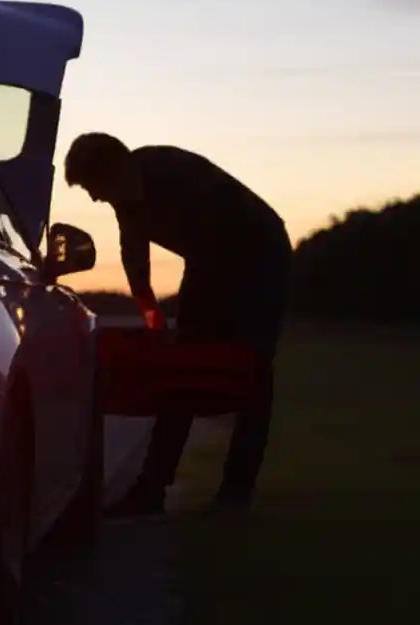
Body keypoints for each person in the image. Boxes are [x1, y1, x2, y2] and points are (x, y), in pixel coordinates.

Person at [64, 133, 292, 515]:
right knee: (180, 371)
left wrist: (197, 322)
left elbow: (220, 239)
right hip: (210, 264)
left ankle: (236, 494)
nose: (94, 198)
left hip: (261, 258)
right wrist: (152, 317)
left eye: (92, 187)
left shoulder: (174, 172)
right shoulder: (126, 202)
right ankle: (150, 490)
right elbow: (134, 259)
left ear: (113, 170)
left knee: (252, 372)